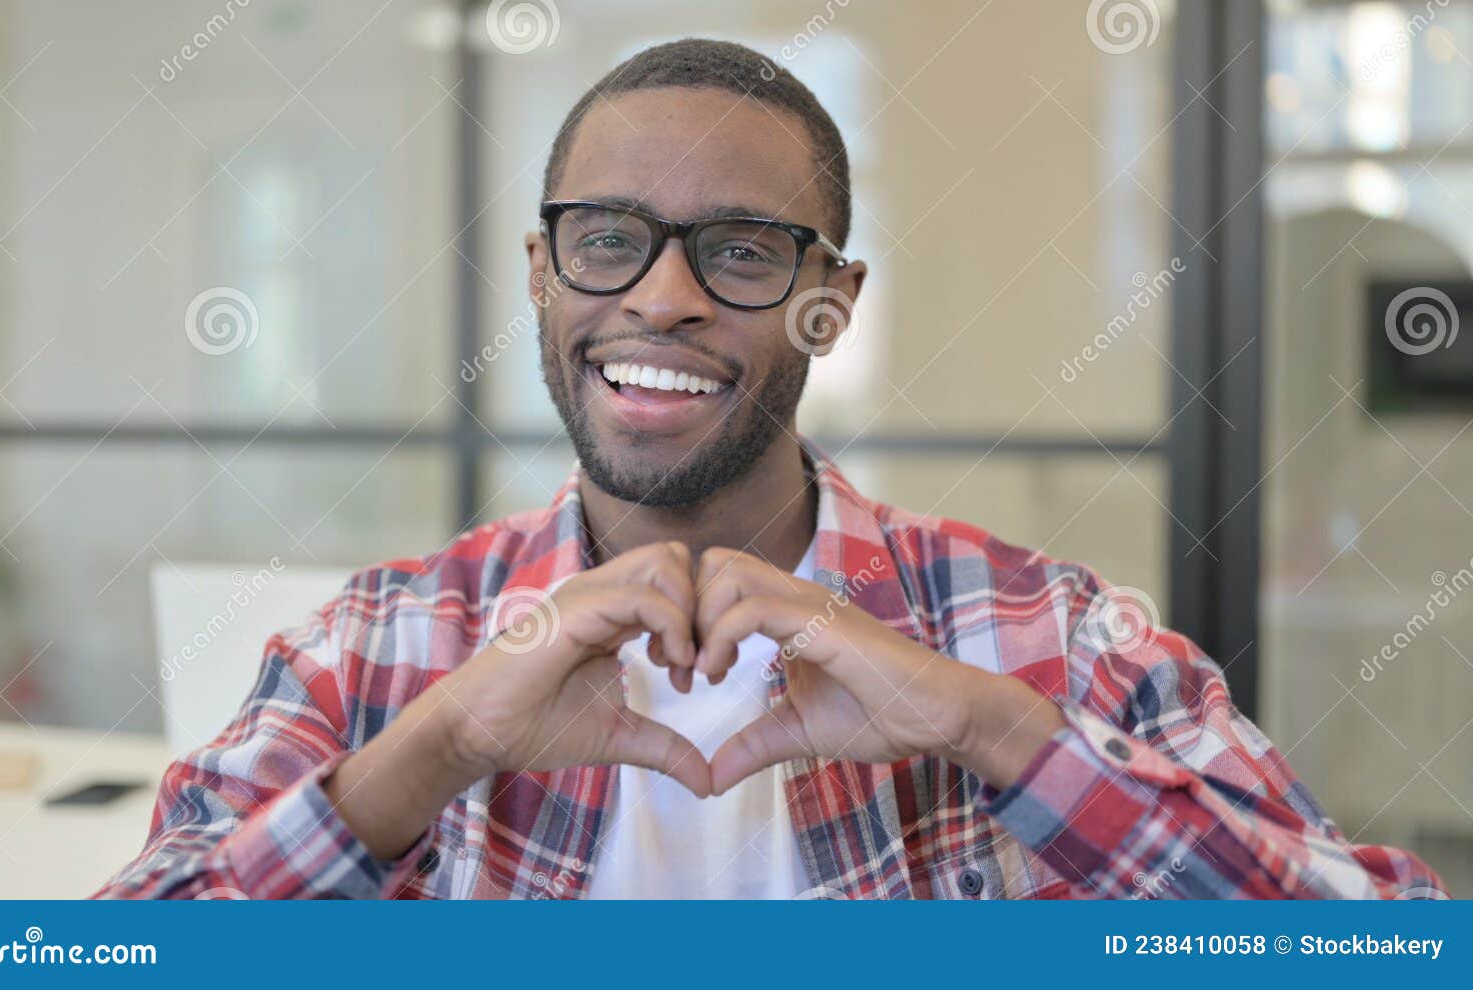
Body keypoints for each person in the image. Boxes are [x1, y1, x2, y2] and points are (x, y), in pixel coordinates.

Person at [98, 38, 1445, 900]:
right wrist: (436, 750)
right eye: (608, 237)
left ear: (832, 303)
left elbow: (1375, 937)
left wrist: (994, 732)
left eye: (740, 249)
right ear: (540, 273)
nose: (663, 299)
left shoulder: (1057, 640)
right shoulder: (378, 649)